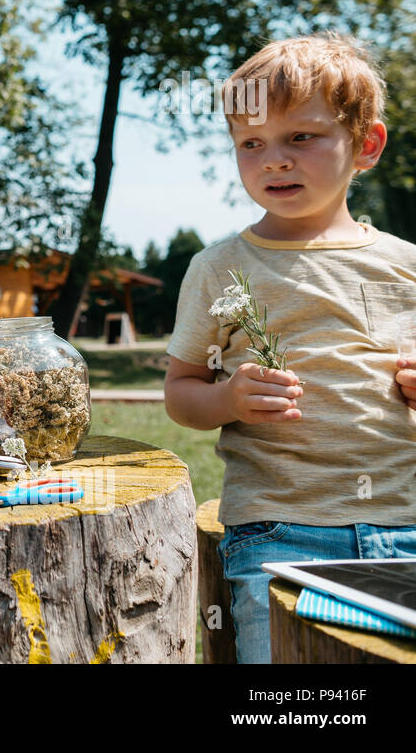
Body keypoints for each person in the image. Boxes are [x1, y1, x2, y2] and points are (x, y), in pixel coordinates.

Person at [163, 32, 416, 663]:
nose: (274, 159)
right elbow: (180, 393)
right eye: (252, 144)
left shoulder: (407, 266)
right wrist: (228, 398)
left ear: (368, 145)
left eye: (301, 137)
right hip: (281, 533)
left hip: (407, 525)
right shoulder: (220, 267)